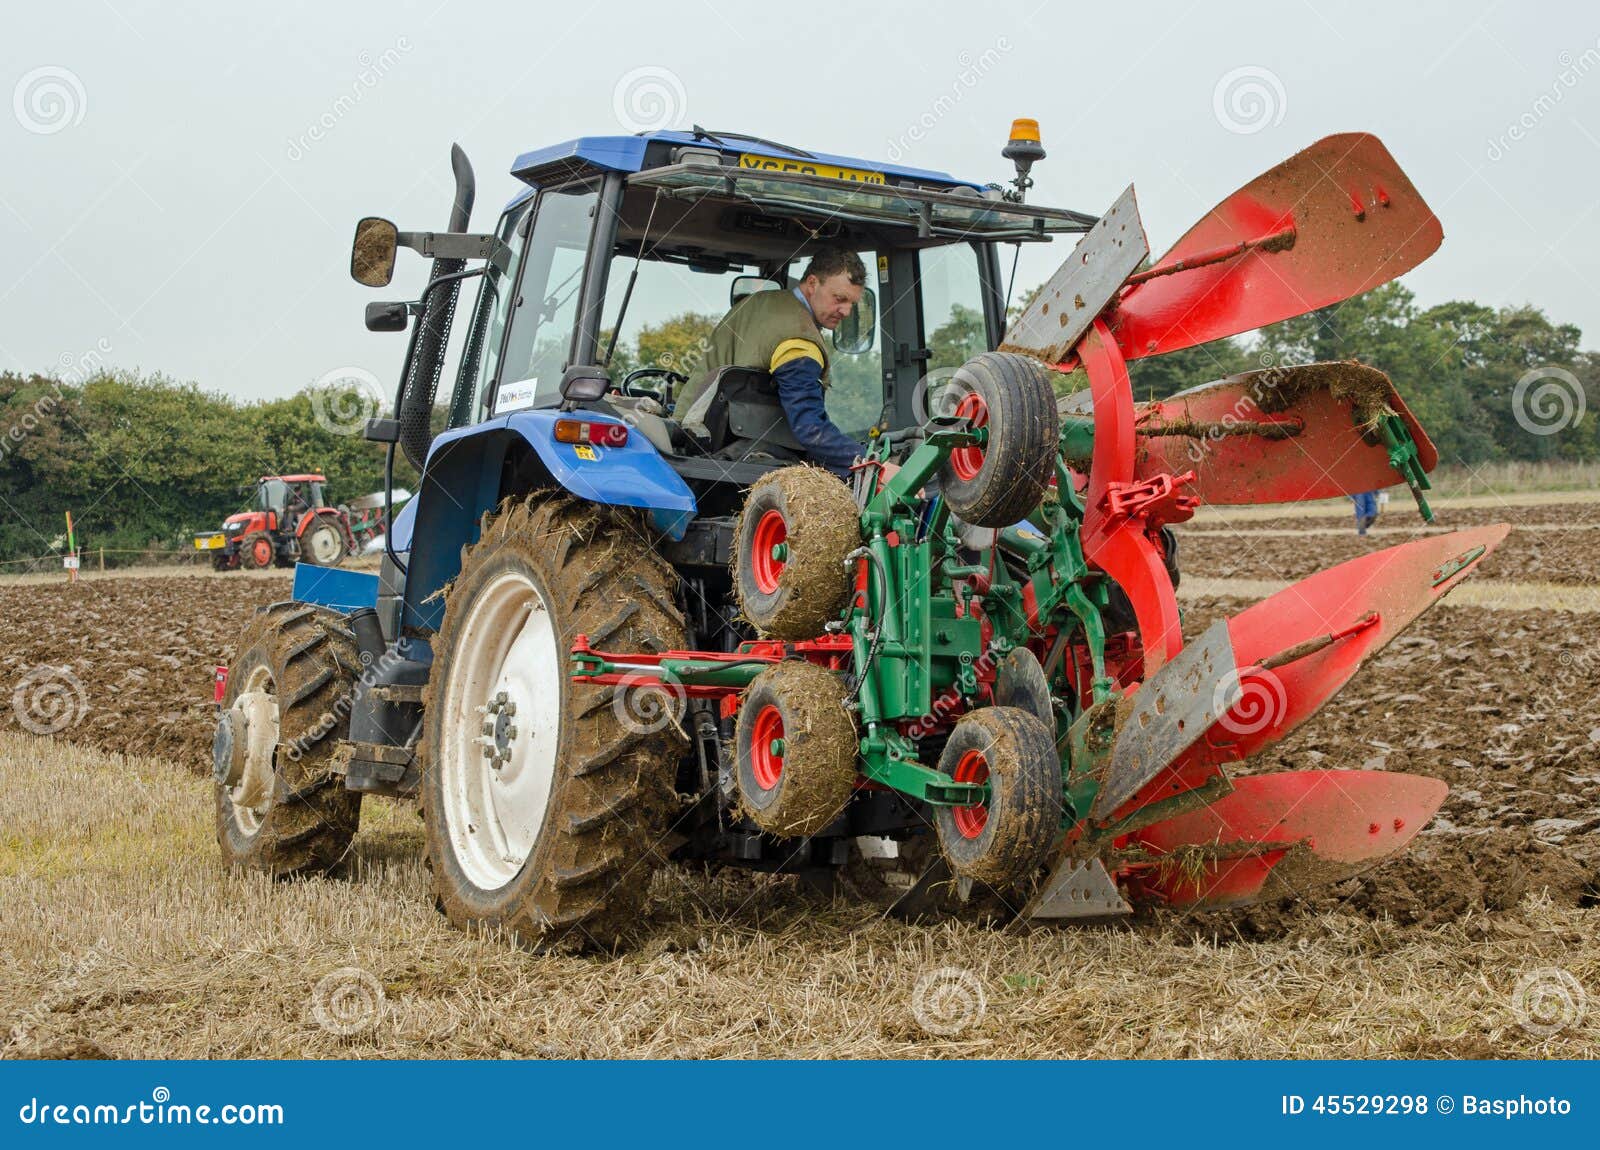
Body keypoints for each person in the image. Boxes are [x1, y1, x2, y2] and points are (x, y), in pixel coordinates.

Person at [677, 248, 867, 477]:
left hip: (687, 441)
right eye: (840, 299)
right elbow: (810, 428)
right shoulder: (798, 340)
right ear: (812, 283)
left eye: (852, 303)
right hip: (728, 464)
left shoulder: (755, 303)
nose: (846, 311)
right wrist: (867, 464)